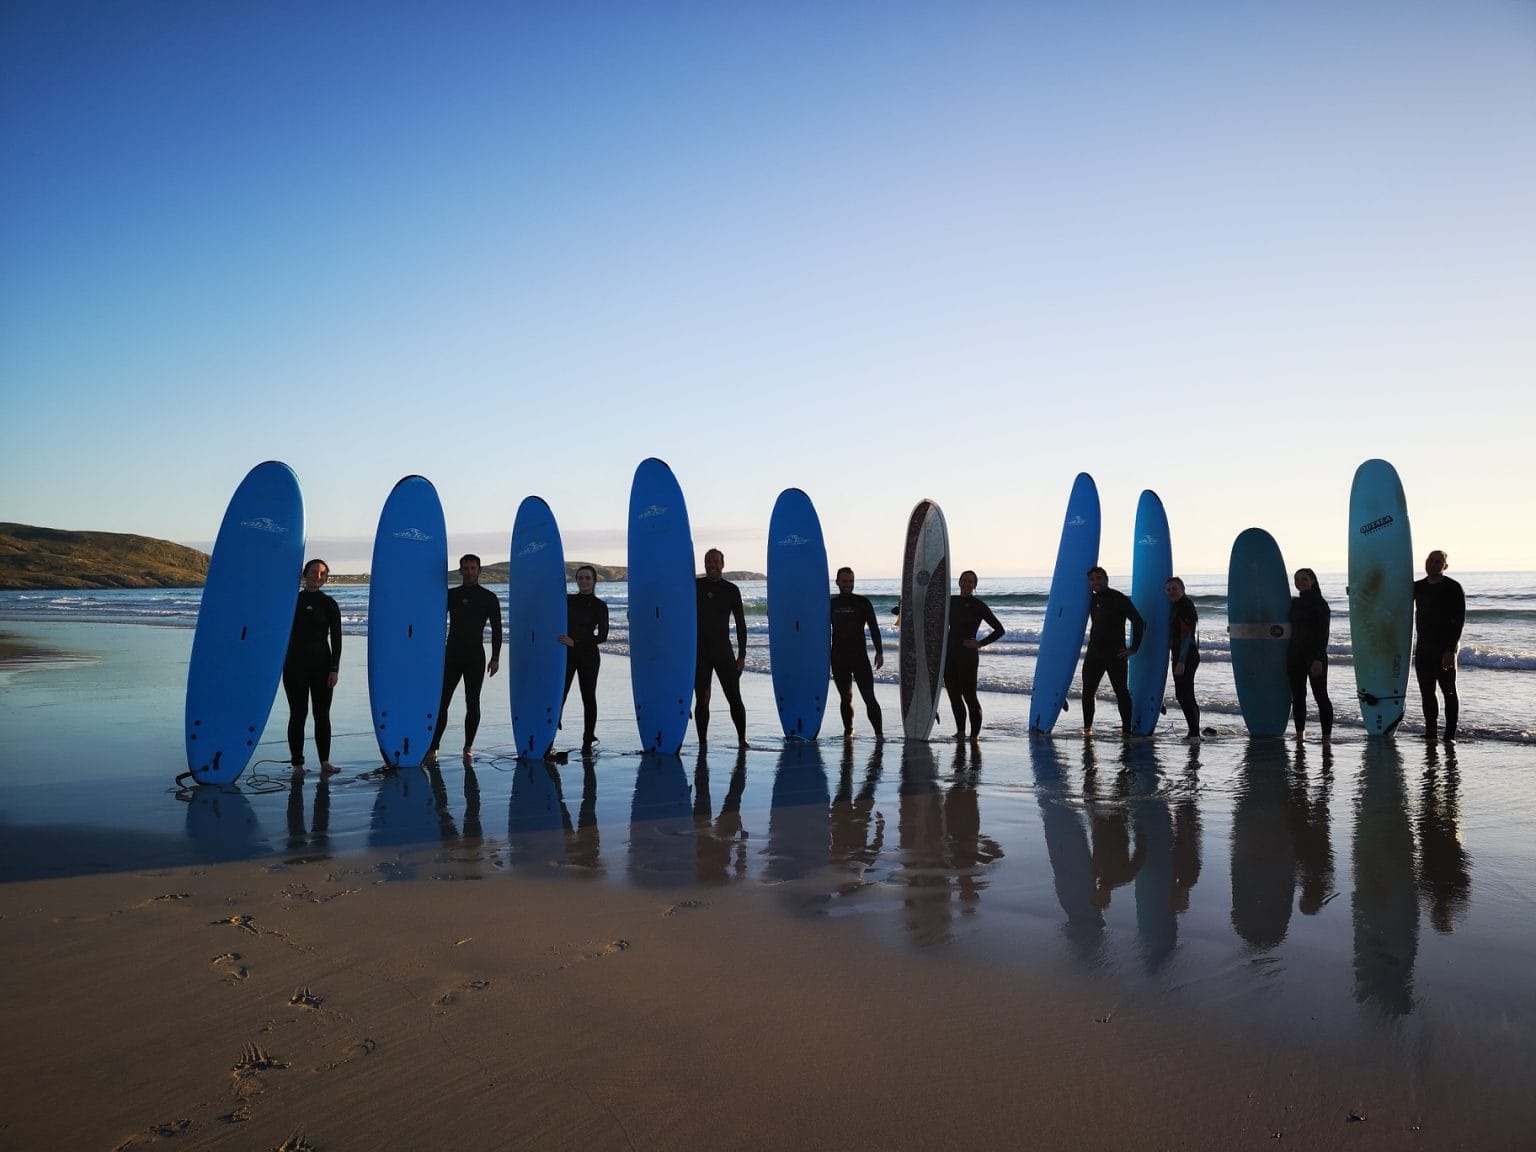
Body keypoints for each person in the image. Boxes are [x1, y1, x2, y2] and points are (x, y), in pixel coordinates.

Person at [429, 554, 502, 761]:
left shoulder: (489, 598)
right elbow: (433, 621)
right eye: (466, 568)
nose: (469, 571)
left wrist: (495, 657)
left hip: (475, 657)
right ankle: (433, 746)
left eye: (473, 568)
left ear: (479, 570)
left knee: (473, 702)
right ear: (460, 571)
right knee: (442, 702)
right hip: (451, 654)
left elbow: (497, 630)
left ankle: (468, 746)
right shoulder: (450, 595)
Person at [284, 558, 342, 775]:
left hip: (322, 666)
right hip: (294, 665)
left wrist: (334, 668)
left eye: (322, 574)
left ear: (326, 578)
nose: (317, 577)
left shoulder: (329, 604)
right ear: (304, 574)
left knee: (322, 714)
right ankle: (297, 764)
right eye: (313, 572)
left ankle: (325, 762)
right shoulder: (292, 601)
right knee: (298, 714)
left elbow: (336, 639)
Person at [695, 548, 747, 750]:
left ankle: (742, 739)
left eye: (716, 561)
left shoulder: (731, 590)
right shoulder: (695, 586)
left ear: (723, 564)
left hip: (723, 651)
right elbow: (674, 608)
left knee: (734, 696)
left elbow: (741, 624)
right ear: (704, 563)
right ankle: (702, 742)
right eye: (708, 561)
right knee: (702, 699)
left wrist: (742, 655)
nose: (712, 565)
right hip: (700, 653)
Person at [1081, 567, 1144, 734]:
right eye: (1092, 579)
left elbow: (1138, 622)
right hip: (1094, 653)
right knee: (1087, 691)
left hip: (1116, 654)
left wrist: (1133, 648)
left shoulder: (1119, 598)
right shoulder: (1090, 600)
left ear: (1107, 579)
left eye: (1099, 578)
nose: (1096, 582)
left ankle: (1126, 729)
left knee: (1121, 692)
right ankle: (1087, 728)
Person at [945, 569, 1005, 741]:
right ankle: (961, 731)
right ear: (959, 582)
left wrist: (980, 643)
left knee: (969, 696)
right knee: (954, 696)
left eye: (971, 582)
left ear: (975, 585)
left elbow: (999, 629)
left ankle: (975, 735)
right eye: (964, 580)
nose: (967, 584)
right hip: (949, 654)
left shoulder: (978, 605)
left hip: (967, 656)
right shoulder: (950, 601)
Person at [1414, 550, 1466, 742]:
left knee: (1449, 691)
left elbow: (1459, 620)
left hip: (1445, 648)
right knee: (1427, 693)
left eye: (1438, 562)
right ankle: (1430, 733)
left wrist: (1450, 650)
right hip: (1423, 649)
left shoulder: (1453, 587)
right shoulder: (1418, 587)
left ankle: (1450, 735)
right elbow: (1394, 598)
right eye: (1430, 560)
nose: (1433, 564)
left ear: (1445, 566)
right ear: (1426, 563)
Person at [558, 564, 609, 752]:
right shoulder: (567, 600)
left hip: (588, 656)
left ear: (594, 581)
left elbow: (602, 636)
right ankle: (550, 731)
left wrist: (576, 642)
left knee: (588, 696)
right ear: (576, 580)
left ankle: (588, 738)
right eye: (580, 578)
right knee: (559, 693)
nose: (584, 581)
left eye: (587, 578)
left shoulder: (600, 606)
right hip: (567, 654)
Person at [829, 567, 885, 741]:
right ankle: (848, 731)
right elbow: (819, 629)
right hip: (838, 657)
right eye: (844, 581)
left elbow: (874, 628)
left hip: (859, 657)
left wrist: (879, 651)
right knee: (845, 697)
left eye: (851, 581)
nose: (848, 585)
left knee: (869, 696)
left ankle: (879, 734)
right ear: (837, 582)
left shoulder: (863, 602)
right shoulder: (831, 604)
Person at [1287, 567, 1333, 742]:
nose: (1300, 582)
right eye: (1297, 580)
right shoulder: (1295, 603)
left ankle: (1326, 738)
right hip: (1294, 656)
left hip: (1314, 657)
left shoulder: (1320, 604)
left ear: (1313, 580)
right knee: (1298, 697)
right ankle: (1300, 736)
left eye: (1304, 579)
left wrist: (1318, 659)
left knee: (1321, 696)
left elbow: (1324, 634)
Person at [1165, 576, 1200, 740]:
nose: (1171, 592)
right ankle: (1193, 732)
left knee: (1186, 694)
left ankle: (1194, 734)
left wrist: (1181, 661)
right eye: (1168, 589)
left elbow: (1186, 637)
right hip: (1180, 655)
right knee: (1182, 694)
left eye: (1175, 588)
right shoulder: (1177, 606)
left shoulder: (1185, 606)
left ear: (1182, 589)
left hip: (1187, 656)